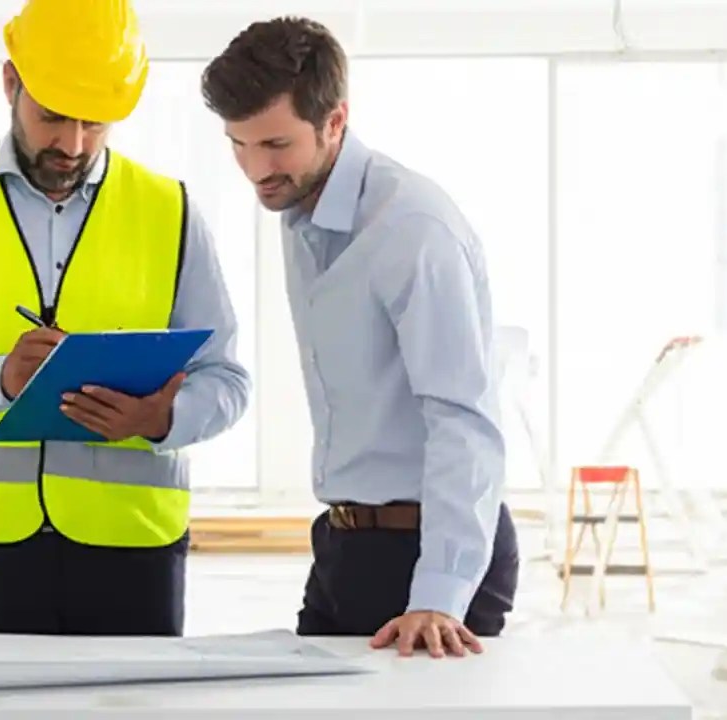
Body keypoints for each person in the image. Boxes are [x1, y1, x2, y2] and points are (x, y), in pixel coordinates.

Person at [0, 0, 250, 637]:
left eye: (95, 123)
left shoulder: (169, 210)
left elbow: (227, 379)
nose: (72, 144)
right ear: (11, 83)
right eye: (52, 116)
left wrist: (163, 418)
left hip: (130, 546)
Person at [201, 17, 518, 658]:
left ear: (335, 122)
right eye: (239, 144)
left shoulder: (412, 229)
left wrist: (438, 593)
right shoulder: (300, 208)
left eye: (276, 144)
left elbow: (464, 418)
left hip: (428, 555)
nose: (255, 169)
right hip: (348, 541)